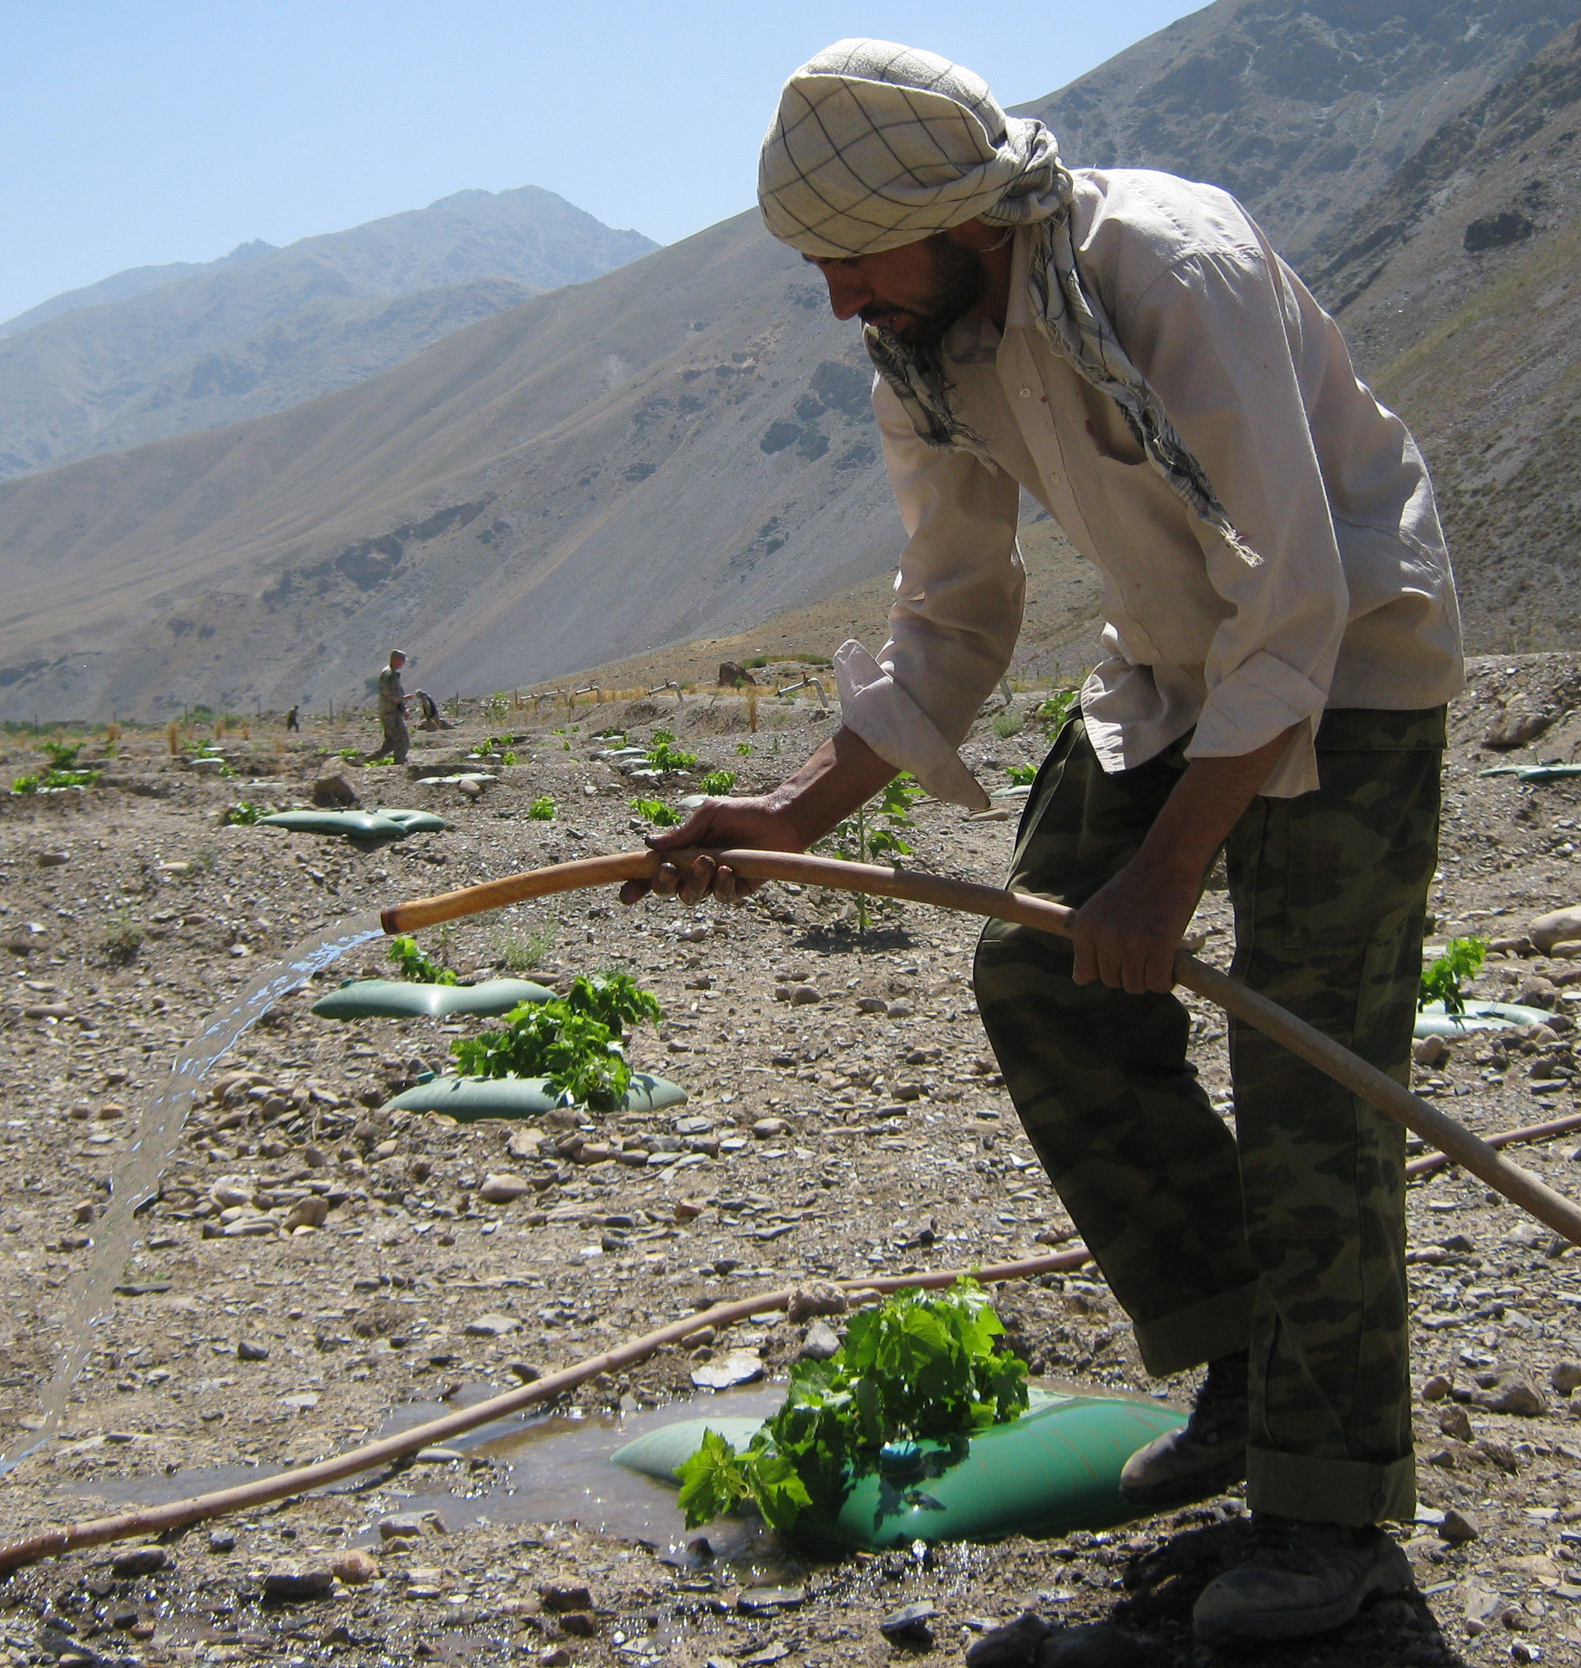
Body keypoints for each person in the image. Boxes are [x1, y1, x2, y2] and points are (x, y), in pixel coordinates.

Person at [627, 40, 1462, 1648]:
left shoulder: (1169, 272)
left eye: (852, 262)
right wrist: (789, 817)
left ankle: (1330, 1519)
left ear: (954, 214)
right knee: (1043, 978)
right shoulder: (928, 340)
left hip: (1347, 669)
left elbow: (1294, 605)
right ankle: (1248, 1368)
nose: (836, 302)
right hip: (1171, 663)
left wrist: (1165, 874)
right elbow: (951, 608)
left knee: (1309, 1087)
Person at [370, 649, 411, 764]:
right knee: (402, 738)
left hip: (392, 711)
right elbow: (388, 692)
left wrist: (403, 709)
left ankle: (367, 760)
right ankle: (399, 761)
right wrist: (403, 698)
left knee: (390, 742)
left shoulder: (393, 674)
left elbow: (397, 692)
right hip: (389, 712)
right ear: (396, 660)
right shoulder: (388, 674)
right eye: (402, 661)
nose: (403, 663)